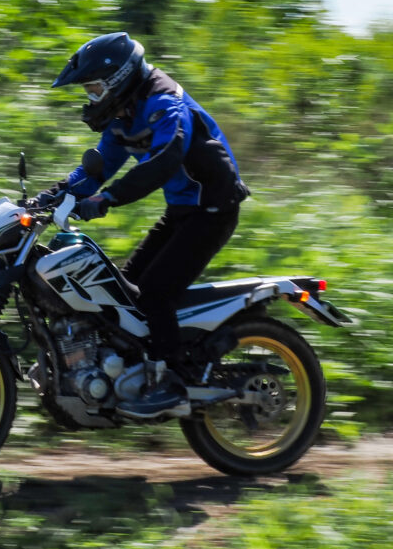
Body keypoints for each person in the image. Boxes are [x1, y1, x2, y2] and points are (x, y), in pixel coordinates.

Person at [39, 32, 249, 418]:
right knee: (128, 293)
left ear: (119, 79)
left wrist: (108, 199)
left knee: (154, 294)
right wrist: (51, 196)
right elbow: (99, 166)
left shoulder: (163, 104)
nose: (91, 97)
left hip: (214, 210)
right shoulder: (127, 114)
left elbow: (163, 162)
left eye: (95, 87)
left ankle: (176, 384)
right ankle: (135, 377)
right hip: (184, 210)